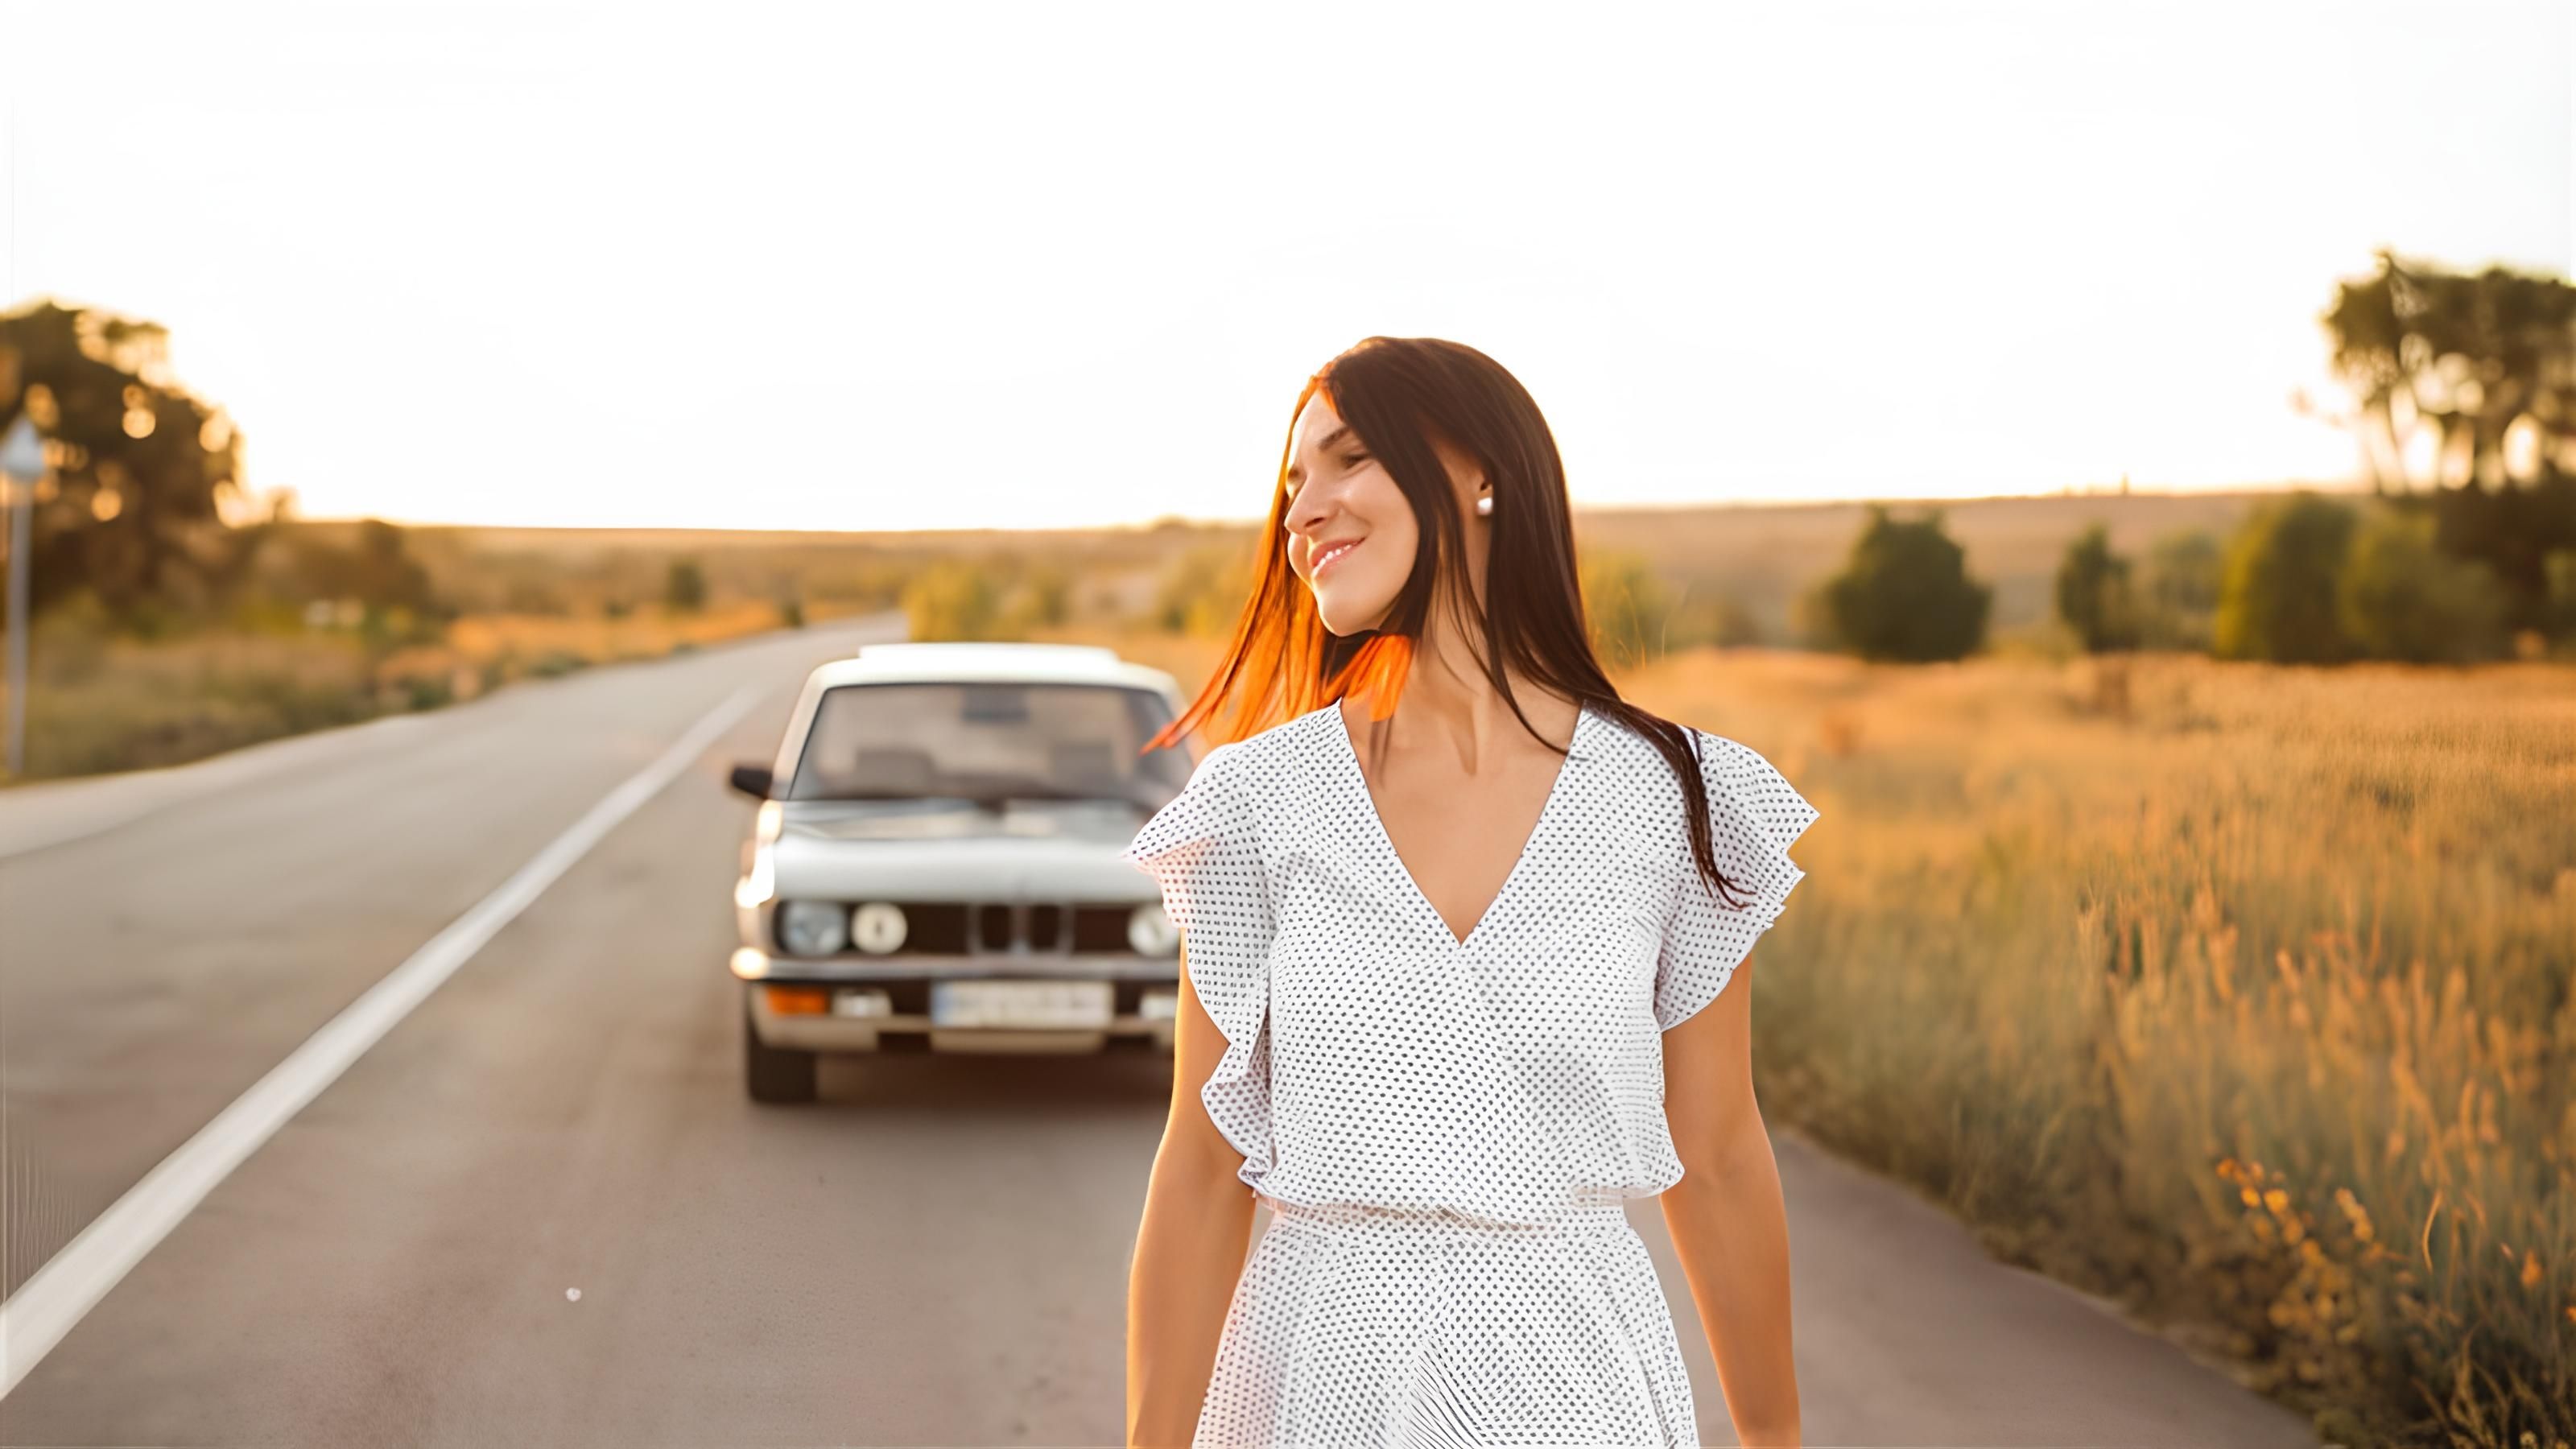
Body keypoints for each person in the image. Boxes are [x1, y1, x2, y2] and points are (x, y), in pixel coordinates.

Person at [1123, 336, 1817, 1448]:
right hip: (1313, 1381)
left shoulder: (1679, 798)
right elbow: (1202, 1166)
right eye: (1293, 482)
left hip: (1578, 1383)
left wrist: (1776, 1445)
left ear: (1480, 472)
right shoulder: (1256, 801)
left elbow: (1723, 1158)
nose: (1305, 510)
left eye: (1347, 460)